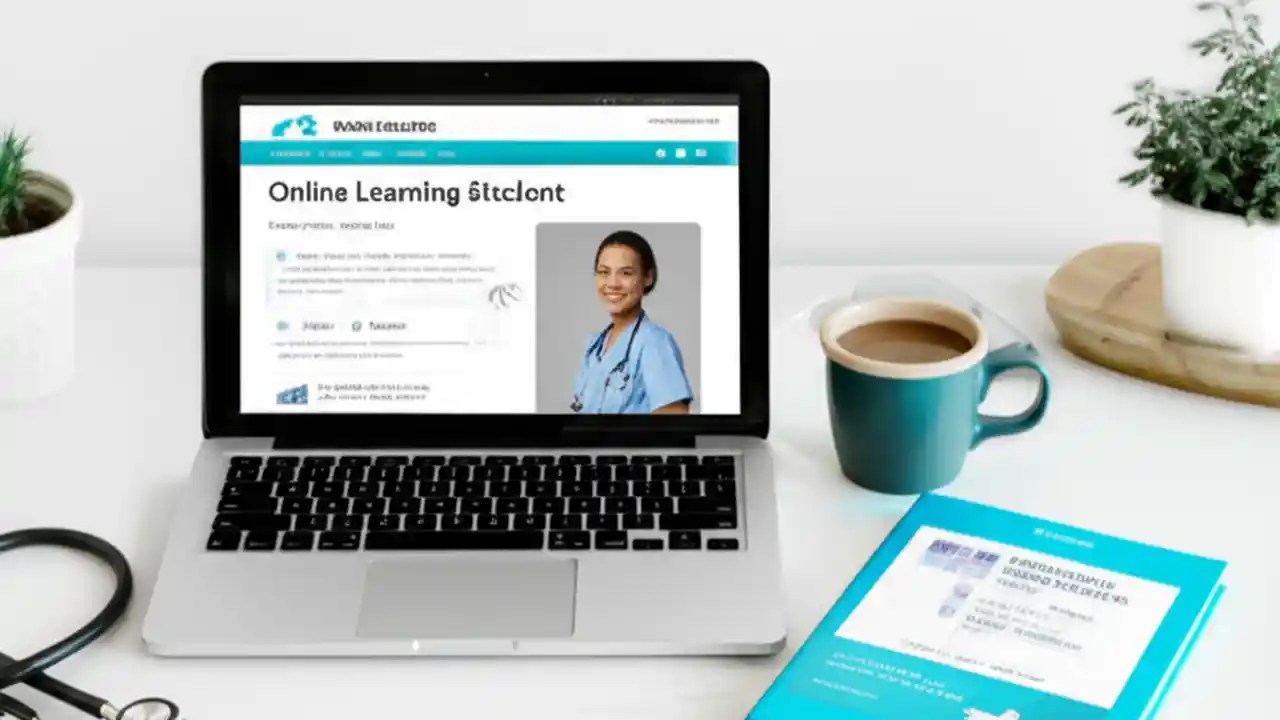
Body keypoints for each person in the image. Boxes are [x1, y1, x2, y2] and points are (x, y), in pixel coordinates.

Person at [571, 230, 693, 414]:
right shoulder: (592, 346)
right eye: (604, 272)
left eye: (626, 273)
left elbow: (673, 428)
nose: (612, 283)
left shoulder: (654, 342)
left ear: (647, 277)